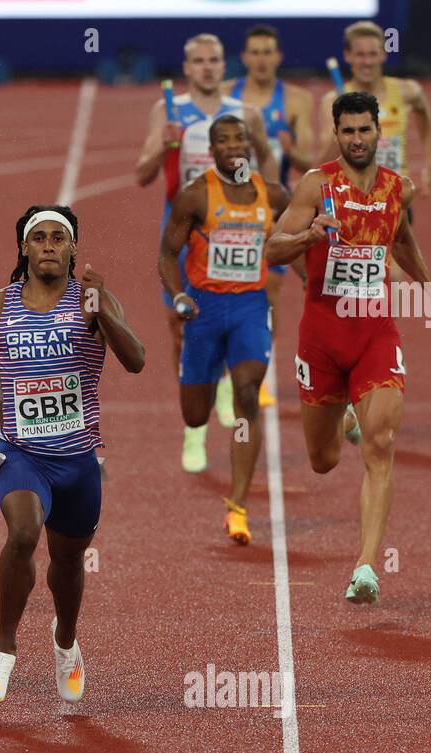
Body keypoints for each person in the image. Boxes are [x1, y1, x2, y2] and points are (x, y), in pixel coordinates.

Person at [266, 91, 431, 603]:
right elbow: (271, 250)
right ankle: (344, 419)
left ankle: (366, 567)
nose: (356, 139)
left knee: (382, 444)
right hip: (322, 338)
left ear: (378, 133)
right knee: (323, 460)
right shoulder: (315, 185)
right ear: (336, 133)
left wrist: (430, 291)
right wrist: (309, 233)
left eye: (364, 130)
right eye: (347, 131)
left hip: (375, 332)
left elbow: (401, 242)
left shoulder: (400, 188)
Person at [0, 205, 145, 703]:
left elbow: (137, 361)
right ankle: (2, 652)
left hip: (79, 462)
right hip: (22, 454)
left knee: (67, 563)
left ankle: (65, 640)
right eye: (38, 237)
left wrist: (102, 306)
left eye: (58, 238)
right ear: (23, 247)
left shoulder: (92, 303)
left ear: (72, 249)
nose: (48, 245)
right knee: (22, 533)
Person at [135, 32, 280, 474]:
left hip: (235, 233)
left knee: (240, 319)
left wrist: (270, 213)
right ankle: (194, 429)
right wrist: (163, 144)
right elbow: (142, 175)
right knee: (182, 329)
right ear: (187, 66)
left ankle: (222, 385)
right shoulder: (168, 110)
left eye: (214, 60)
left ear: (224, 64)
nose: (207, 67)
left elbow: (270, 169)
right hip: (183, 233)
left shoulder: (246, 115)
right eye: (198, 60)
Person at [160, 114, 298, 545]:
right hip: (205, 310)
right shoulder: (195, 195)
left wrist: (315, 281)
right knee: (194, 414)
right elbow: (167, 254)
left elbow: (295, 245)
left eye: (240, 138)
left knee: (246, 392)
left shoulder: (274, 195)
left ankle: (238, 505)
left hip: (249, 307)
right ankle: (200, 423)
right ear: (213, 150)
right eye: (225, 140)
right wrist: (179, 295)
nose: (235, 146)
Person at [223, 23, 318, 408]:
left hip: (274, 208)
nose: (261, 59)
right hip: (228, 210)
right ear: (245, 57)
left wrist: (291, 149)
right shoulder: (228, 97)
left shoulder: (295, 99)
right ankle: (228, 372)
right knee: (227, 294)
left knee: (271, 294)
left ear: (278, 57)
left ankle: (255, 373)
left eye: (268, 52)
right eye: (255, 52)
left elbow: (309, 160)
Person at [319, 20, 431, 220]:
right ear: (348, 56)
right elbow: (322, 164)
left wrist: (429, 164)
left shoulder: (407, 91)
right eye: (360, 54)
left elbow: (425, 119)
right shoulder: (333, 102)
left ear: (383, 54)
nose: (367, 62)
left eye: (372, 54)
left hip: (395, 197)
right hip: (353, 202)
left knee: (403, 252)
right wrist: (340, 132)